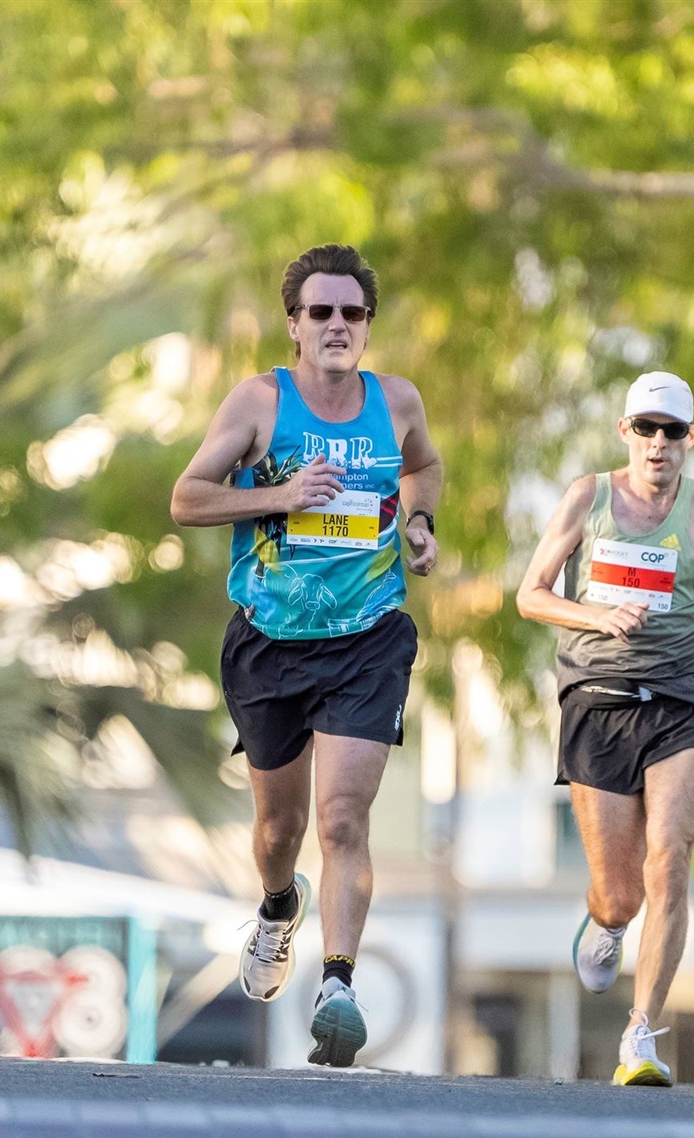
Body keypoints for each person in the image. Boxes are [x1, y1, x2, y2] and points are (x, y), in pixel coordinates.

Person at [170, 243, 441, 1068]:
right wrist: (279, 495)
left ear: (367, 325)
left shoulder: (395, 402)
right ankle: (278, 906)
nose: (335, 325)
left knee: (343, 818)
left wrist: (421, 524)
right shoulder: (259, 402)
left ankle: (338, 987)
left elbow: (423, 467)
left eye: (351, 313)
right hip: (270, 643)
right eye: (319, 312)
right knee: (280, 827)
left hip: (368, 637)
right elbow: (186, 499)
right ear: (294, 324)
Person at [516, 371, 694, 1086]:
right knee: (621, 893)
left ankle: (641, 1035)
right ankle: (606, 924)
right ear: (625, 433)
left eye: (672, 431)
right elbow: (531, 595)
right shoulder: (589, 497)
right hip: (597, 700)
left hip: (679, 706)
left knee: (668, 858)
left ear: (690, 438)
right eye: (646, 429)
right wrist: (596, 616)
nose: (658, 444)